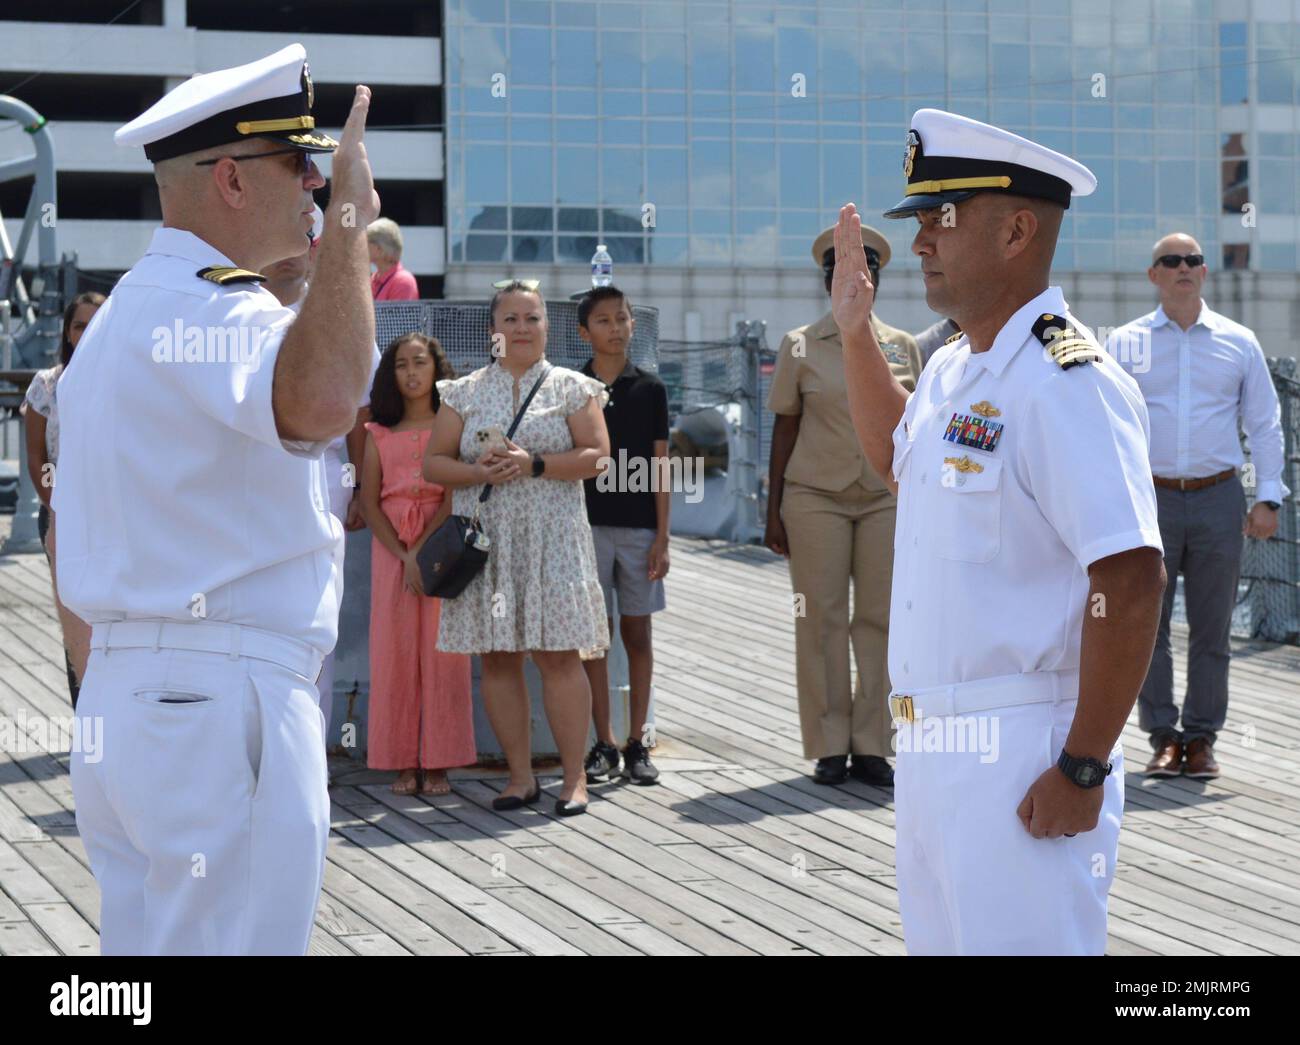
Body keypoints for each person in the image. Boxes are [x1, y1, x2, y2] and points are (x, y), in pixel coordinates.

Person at [54, 44, 380, 955]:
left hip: (132, 696)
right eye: (299, 161)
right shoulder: (208, 306)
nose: (315, 181)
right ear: (231, 179)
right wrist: (350, 225)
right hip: (216, 696)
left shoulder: (123, 317)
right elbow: (325, 398)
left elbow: (70, 536)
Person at [837, 108, 1166, 955]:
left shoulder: (1067, 380)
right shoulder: (956, 366)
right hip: (930, 744)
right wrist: (854, 332)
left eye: (940, 219)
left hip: (1022, 751)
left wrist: (1083, 765)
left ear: (1018, 231)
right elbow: (897, 462)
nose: (920, 242)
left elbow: (1129, 579)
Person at [422, 280, 610, 818]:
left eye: (532, 318)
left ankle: (574, 779)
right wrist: (476, 472)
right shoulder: (462, 392)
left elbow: (599, 457)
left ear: (547, 326)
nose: (522, 328)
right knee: (498, 659)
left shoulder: (572, 387)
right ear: (493, 330)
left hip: (553, 542)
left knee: (559, 655)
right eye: (511, 318)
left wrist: (535, 464)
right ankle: (520, 778)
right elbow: (433, 464)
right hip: (489, 544)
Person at [1106, 234, 1290, 781]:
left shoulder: (1239, 341)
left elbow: (1265, 423)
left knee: (1213, 628)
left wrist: (1269, 496)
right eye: (1171, 260)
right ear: (1153, 274)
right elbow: (1106, 423)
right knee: (1147, 625)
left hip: (1218, 496)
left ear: (1205, 273)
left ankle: (1202, 738)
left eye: (1193, 260)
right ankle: (1163, 737)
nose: (1183, 267)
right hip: (1149, 498)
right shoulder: (1125, 343)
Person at [765, 224, 921, 788]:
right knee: (819, 618)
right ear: (826, 280)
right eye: (841, 272)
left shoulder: (903, 346)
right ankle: (830, 744)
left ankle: (875, 744)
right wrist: (772, 510)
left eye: (864, 271)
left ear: (877, 280)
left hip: (885, 498)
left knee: (883, 621)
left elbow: (914, 430)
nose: (853, 279)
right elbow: (785, 426)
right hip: (814, 497)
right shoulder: (799, 344)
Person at [267, 204, 378, 754]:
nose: (297, 249)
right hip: (248, 478)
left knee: (316, 620)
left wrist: (356, 489)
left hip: (322, 474)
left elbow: (359, 412)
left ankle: (309, 759)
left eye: (308, 238)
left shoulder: (336, 311)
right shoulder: (231, 305)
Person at [360, 333, 475, 795]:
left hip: (443, 546)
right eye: (402, 364)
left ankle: (440, 760)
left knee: (444, 653)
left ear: (436, 369)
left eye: (420, 362)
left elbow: (451, 497)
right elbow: (369, 503)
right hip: (392, 551)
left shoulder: (451, 428)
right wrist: (403, 554)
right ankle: (402, 760)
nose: (411, 372)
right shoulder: (377, 432)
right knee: (394, 652)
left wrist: (421, 552)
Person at [575, 285, 670, 786]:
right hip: (586, 527)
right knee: (595, 637)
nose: (615, 328)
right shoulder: (574, 387)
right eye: (604, 320)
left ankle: (638, 742)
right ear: (584, 331)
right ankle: (603, 742)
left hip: (639, 529)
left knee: (638, 633)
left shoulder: (651, 388)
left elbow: (660, 467)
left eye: (622, 318)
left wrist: (663, 537)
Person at [22, 291, 104, 708]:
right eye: (79, 325)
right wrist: (59, 507)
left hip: (112, 515)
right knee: (76, 620)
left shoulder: (124, 380)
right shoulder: (46, 385)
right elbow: (38, 458)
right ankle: (85, 710)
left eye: (95, 323)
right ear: (67, 333)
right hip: (61, 515)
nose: (87, 332)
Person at [368, 217, 419, 301]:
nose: (362, 247)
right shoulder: (373, 279)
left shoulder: (403, 281)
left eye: (366, 242)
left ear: (379, 249)